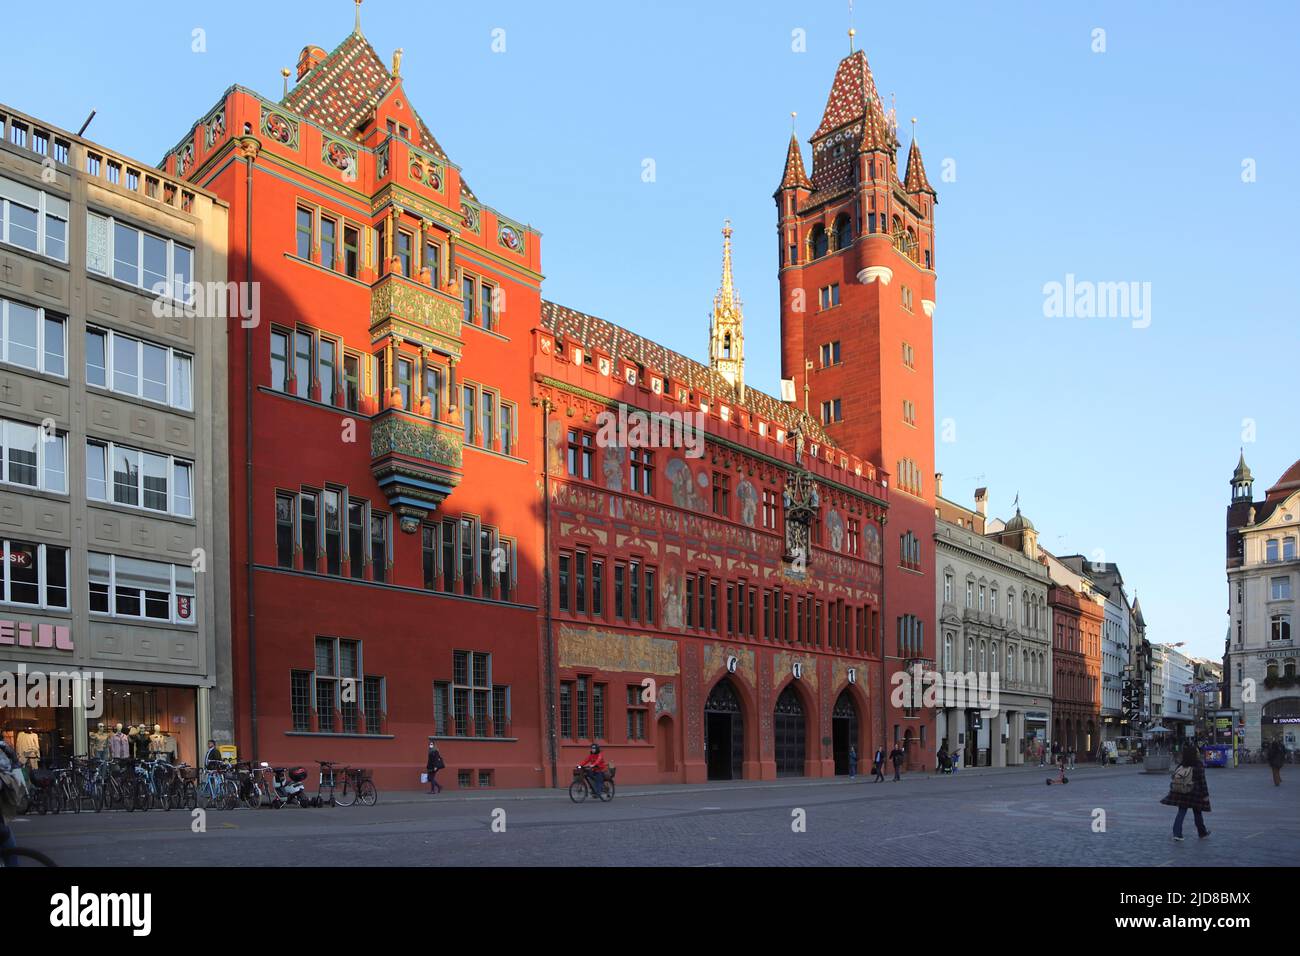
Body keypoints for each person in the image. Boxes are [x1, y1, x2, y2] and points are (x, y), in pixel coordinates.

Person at [1161, 742, 1211, 842]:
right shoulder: (1198, 765)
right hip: (1195, 793)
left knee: (1181, 812)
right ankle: (1202, 832)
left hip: (1183, 792)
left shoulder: (1182, 764)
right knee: (1197, 813)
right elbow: (1202, 781)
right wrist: (1205, 794)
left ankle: (1177, 834)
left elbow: (1174, 776)